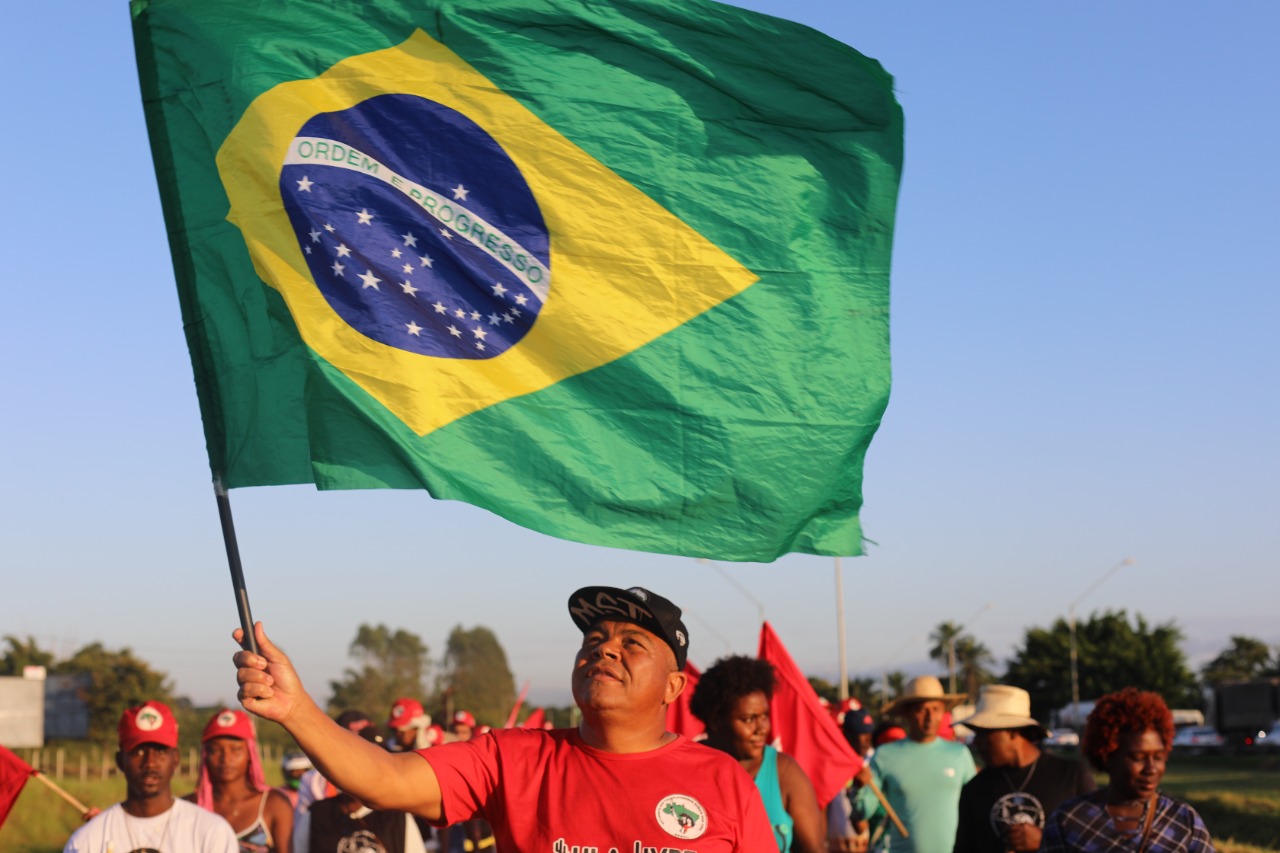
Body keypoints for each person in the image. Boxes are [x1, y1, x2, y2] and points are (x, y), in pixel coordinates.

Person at [234, 584, 775, 850]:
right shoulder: (514, 757)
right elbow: (385, 779)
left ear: (674, 685)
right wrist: (297, 710)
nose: (604, 650)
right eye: (594, 638)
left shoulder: (723, 782)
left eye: (632, 642)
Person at [1040, 688, 1214, 853]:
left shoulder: (1183, 819)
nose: (1151, 769)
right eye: (1138, 757)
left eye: (1159, 757)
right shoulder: (1070, 820)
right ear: (1107, 756)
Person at [687, 655, 825, 853]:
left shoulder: (784, 771)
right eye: (749, 719)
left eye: (764, 716)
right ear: (716, 720)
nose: (762, 728)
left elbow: (814, 850)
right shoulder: (687, 767)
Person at [65, 701, 238, 853]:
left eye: (160, 751)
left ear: (175, 759)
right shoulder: (88, 840)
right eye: (138, 752)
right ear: (120, 760)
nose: (150, 763)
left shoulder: (211, 832)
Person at [951, 685, 1094, 853]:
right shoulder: (975, 789)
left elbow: (1097, 843)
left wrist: (1045, 841)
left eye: (984, 733)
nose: (976, 743)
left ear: (1012, 732)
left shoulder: (1071, 775)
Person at [852, 676, 976, 853]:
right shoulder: (885, 755)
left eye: (936, 709)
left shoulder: (959, 754)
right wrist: (858, 787)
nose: (930, 717)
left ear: (944, 712)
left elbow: (975, 809)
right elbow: (863, 811)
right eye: (921, 710)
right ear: (907, 713)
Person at [192, 708, 294, 853]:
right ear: (205, 754)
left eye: (235, 749)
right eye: (216, 750)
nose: (226, 759)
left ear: (250, 753)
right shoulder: (190, 806)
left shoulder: (274, 804)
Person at [293, 710, 371, 853]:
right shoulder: (313, 780)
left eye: (366, 741)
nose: (359, 749)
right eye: (351, 743)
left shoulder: (385, 776)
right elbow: (303, 832)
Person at [828, 709, 876, 852]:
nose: (867, 739)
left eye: (869, 733)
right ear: (847, 734)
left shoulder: (875, 762)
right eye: (862, 733)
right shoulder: (831, 765)